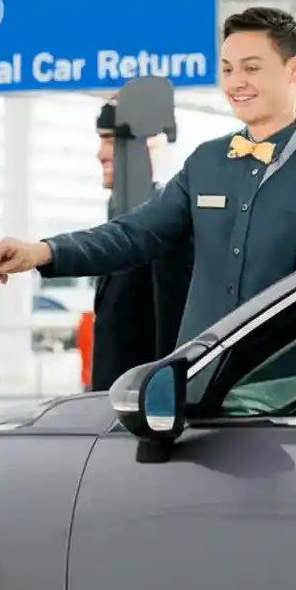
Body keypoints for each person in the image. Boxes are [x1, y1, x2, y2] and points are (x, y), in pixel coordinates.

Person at [0, 7, 296, 378]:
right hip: (202, 385)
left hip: (292, 390)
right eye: (227, 69)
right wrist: (41, 252)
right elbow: (135, 233)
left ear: (295, 69)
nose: (236, 82)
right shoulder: (207, 162)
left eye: (251, 68)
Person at [86, 95, 192, 391]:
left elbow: (169, 335)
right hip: (116, 403)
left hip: (143, 405)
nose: (100, 154)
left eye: (112, 141)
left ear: (151, 145)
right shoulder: (121, 212)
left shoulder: (162, 226)